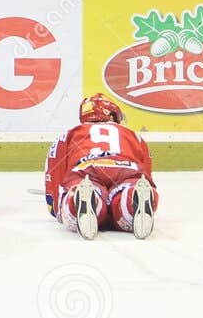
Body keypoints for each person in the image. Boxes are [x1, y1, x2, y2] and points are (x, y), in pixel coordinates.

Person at [43, 93, 158, 241]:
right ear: (111, 114)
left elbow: (53, 171)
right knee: (128, 192)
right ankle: (130, 199)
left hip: (87, 169)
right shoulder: (134, 135)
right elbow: (146, 171)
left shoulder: (71, 133)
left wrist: (57, 208)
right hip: (128, 169)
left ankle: (82, 200)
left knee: (79, 192)